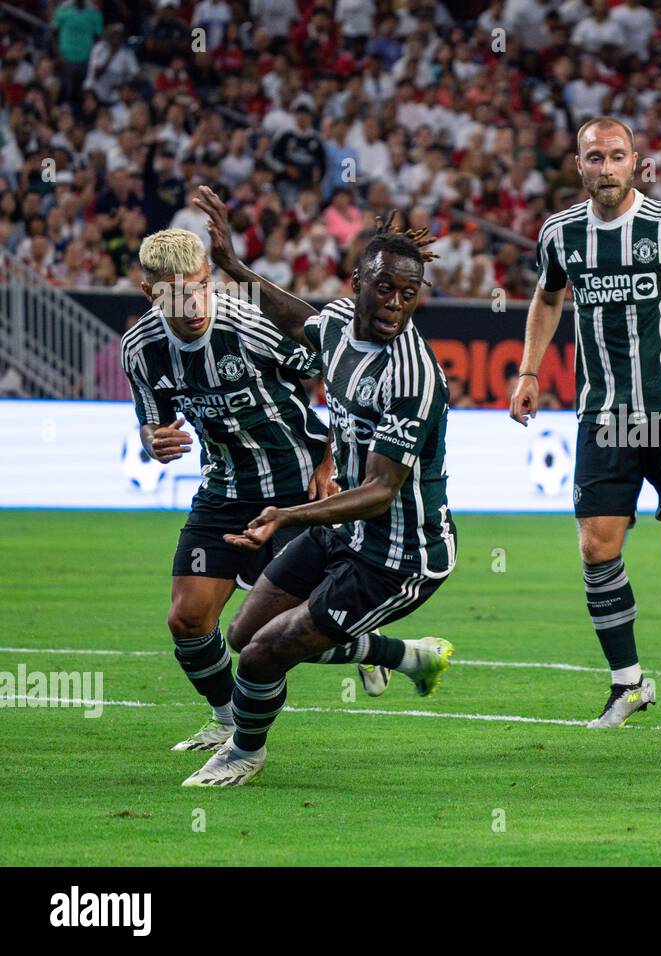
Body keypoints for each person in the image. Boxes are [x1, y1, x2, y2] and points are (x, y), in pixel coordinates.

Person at [178, 188, 458, 787]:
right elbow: (295, 314)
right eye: (385, 288)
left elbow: (383, 489)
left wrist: (289, 515)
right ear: (358, 281)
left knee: (260, 657)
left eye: (409, 295)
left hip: (399, 557)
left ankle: (245, 752)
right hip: (343, 532)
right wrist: (231, 267)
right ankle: (407, 656)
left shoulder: (413, 376)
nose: (395, 305)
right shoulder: (335, 325)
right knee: (240, 635)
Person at [509, 117, 661, 729]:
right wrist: (530, 371)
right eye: (595, 157)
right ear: (578, 164)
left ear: (637, 161)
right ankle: (628, 682)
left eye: (616, 156)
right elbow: (548, 296)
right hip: (603, 416)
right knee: (596, 547)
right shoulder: (559, 234)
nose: (606, 167)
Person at [121, 227, 337, 753]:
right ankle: (225, 719)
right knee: (187, 619)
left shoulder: (251, 326)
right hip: (222, 489)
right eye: (177, 292)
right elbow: (153, 423)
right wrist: (156, 441)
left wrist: (331, 460)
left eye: (201, 285)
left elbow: (339, 372)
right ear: (152, 294)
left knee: (279, 627)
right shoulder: (140, 350)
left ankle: (388, 650)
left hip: (294, 486)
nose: (194, 302)